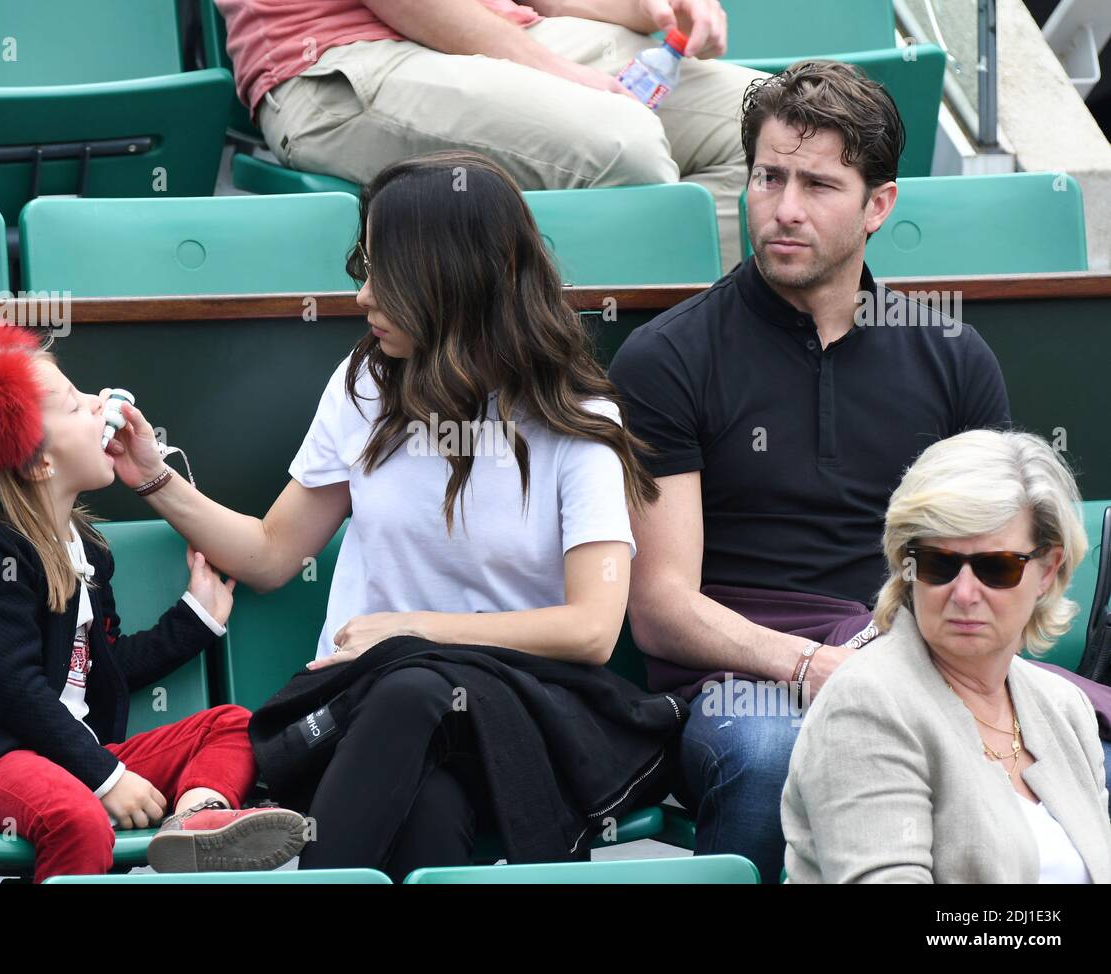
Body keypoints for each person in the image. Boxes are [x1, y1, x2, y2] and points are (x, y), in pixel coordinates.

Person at [101, 150, 682, 882]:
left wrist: (410, 632)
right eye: (364, 268)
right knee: (429, 809)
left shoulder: (577, 423)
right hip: (365, 719)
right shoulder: (363, 387)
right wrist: (152, 478)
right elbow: (273, 553)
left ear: (450, 279)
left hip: (518, 718)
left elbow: (592, 630)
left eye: (384, 274)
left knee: (413, 687)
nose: (362, 295)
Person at [607, 60, 1014, 883]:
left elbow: (994, 568)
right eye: (768, 177)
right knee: (774, 754)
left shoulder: (953, 355)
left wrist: (908, 664)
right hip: (743, 679)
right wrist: (810, 667)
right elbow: (660, 609)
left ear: (879, 205)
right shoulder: (668, 357)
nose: (784, 209)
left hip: (916, 654)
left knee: (1075, 756)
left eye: (819, 185)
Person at [0, 324, 308, 883]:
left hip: (72, 759)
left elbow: (102, 666)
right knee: (77, 819)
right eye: (77, 405)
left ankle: (197, 817)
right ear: (37, 464)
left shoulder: (88, 552)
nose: (102, 404)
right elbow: (16, 687)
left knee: (237, 725)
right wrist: (106, 777)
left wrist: (193, 621)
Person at [218, 0, 766, 274]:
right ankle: (614, 410)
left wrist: (658, 7)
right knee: (624, 147)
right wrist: (549, 68)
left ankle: (718, 360)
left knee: (773, 125)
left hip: (508, 28)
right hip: (336, 61)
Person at [782, 429, 1111, 883]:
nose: (964, 593)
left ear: (1047, 571)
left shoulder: (1065, 708)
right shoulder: (866, 705)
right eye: (939, 563)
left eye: (997, 567)